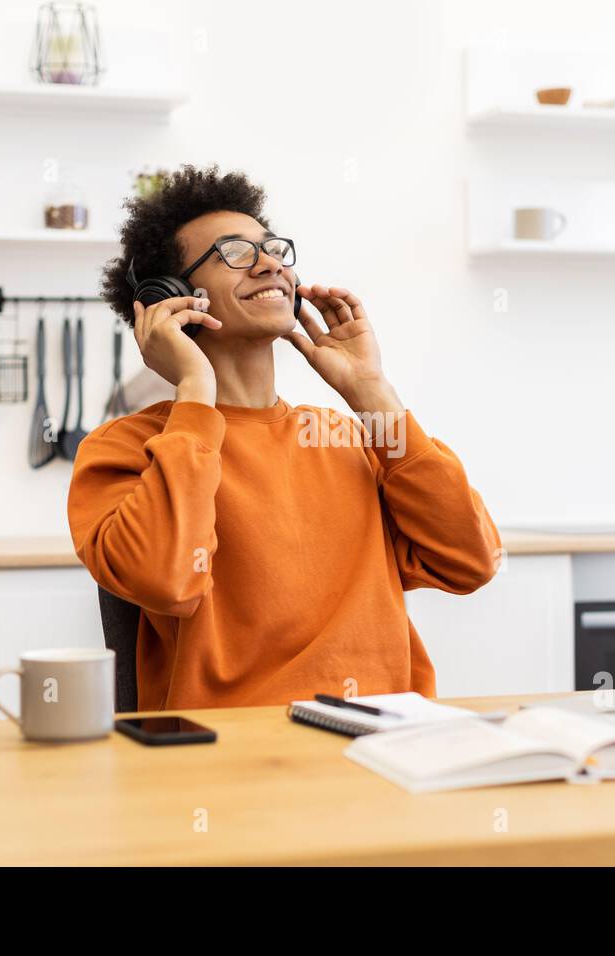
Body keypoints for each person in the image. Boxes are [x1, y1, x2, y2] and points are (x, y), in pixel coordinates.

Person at [68, 164, 501, 709]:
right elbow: (166, 578)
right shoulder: (126, 447)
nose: (269, 263)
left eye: (271, 249)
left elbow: (472, 560)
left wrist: (371, 392)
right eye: (235, 253)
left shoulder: (348, 435)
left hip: (389, 743)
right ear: (172, 296)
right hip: (234, 758)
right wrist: (194, 386)